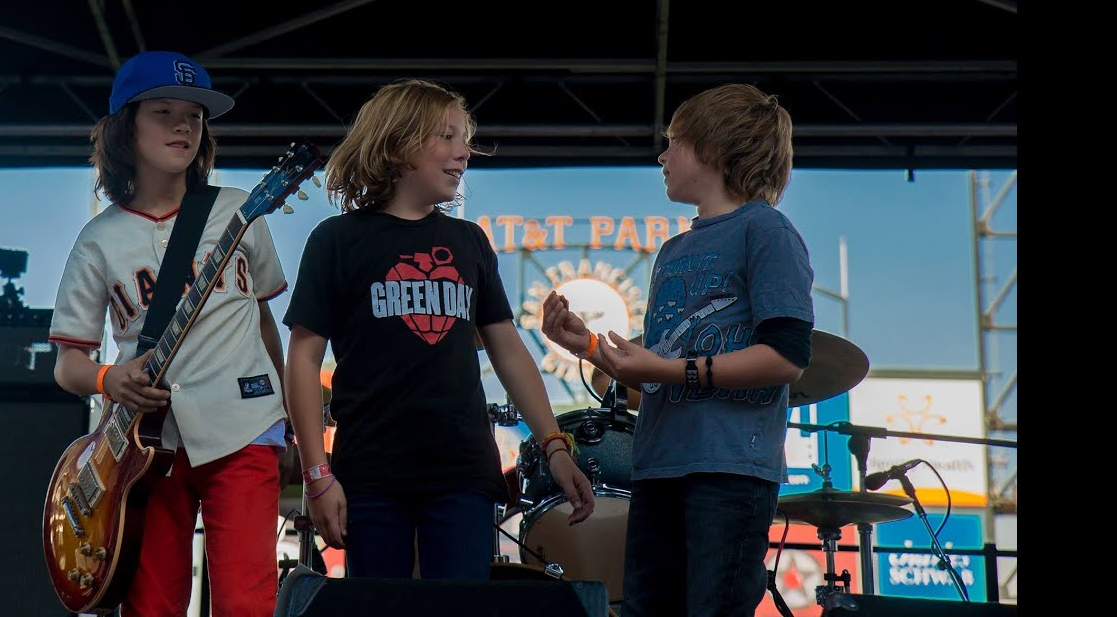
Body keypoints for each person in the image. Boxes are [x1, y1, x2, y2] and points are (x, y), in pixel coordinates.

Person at [282, 78, 596, 581]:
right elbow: (302, 358)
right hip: (371, 472)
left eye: (463, 139)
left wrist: (554, 447)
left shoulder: (469, 241)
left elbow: (509, 352)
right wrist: (317, 475)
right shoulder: (336, 240)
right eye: (447, 137)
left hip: (462, 470)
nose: (463, 152)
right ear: (398, 142)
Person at [540, 83, 815, 617]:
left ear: (713, 148)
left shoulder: (767, 231)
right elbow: (657, 373)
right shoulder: (674, 249)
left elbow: (786, 355)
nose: (662, 156)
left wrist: (671, 369)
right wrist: (591, 347)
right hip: (658, 467)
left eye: (673, 143)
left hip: (730, 470)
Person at [48, 50, 289, 617]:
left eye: (195, 115)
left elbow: (263, 323)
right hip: (144, 445)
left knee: (247, 603)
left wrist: (293, 430)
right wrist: (111, 377)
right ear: (124, 127)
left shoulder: (241, 213)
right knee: (152, 604)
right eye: (163, 111)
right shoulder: (98, 239)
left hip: (247, 426)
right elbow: (69, 365)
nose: (183, 125)